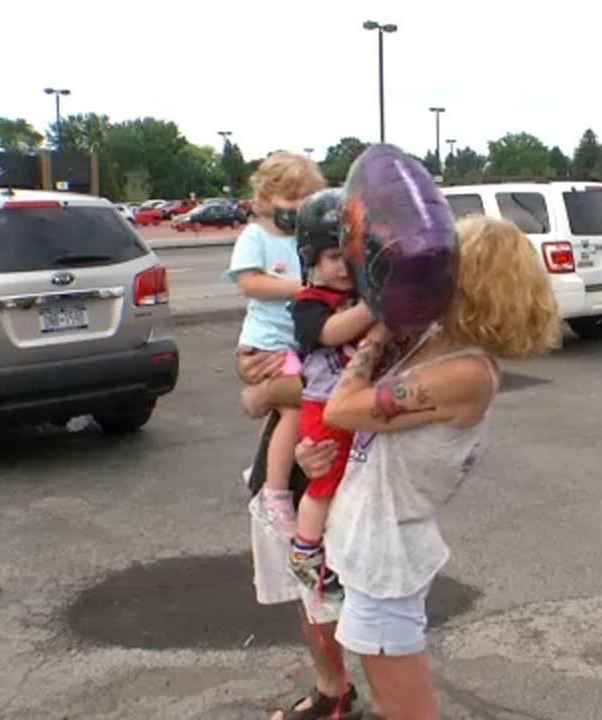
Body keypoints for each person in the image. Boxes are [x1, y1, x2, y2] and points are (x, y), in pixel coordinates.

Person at [295, 216, 559, 720]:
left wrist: (378, 330)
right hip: (366, 541)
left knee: (407, 710)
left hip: (387, 557)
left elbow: (341, 407)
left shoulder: (466, 371)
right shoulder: (434, 338)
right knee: (391, 704)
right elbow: (346, 417)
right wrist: (315, 455)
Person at [237, 352, 361, 720]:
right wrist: (253, 374)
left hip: (339, 469)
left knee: (347, 600)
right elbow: (258, 357)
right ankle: (332, 690)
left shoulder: (368, 319)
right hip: (295, 474)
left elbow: (347, 380)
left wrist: (268, 392)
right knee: (309, 594)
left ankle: (359, 699)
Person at [226, 151, 327, 538]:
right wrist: (302, 289)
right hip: (268, 344)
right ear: (266, 198)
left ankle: (266, 466)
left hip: (298, 343)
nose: (299, 207)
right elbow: (249, 282)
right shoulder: (256, 237)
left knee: (293, 406)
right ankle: (275, 491)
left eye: (307, 198)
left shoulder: (308, 239)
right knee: (298, 407)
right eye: (292, 197)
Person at [287, 190, 375, 600]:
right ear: (311, 260)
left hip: (358, 403)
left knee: (354, 481)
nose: (343, 267)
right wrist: (375, 308)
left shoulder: (359, 297)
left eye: (350, 257)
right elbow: (330, 333)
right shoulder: (309, 304)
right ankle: (305, 551)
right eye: (334, 257)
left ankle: (339, 551)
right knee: (324, 480)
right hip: (323, 406)